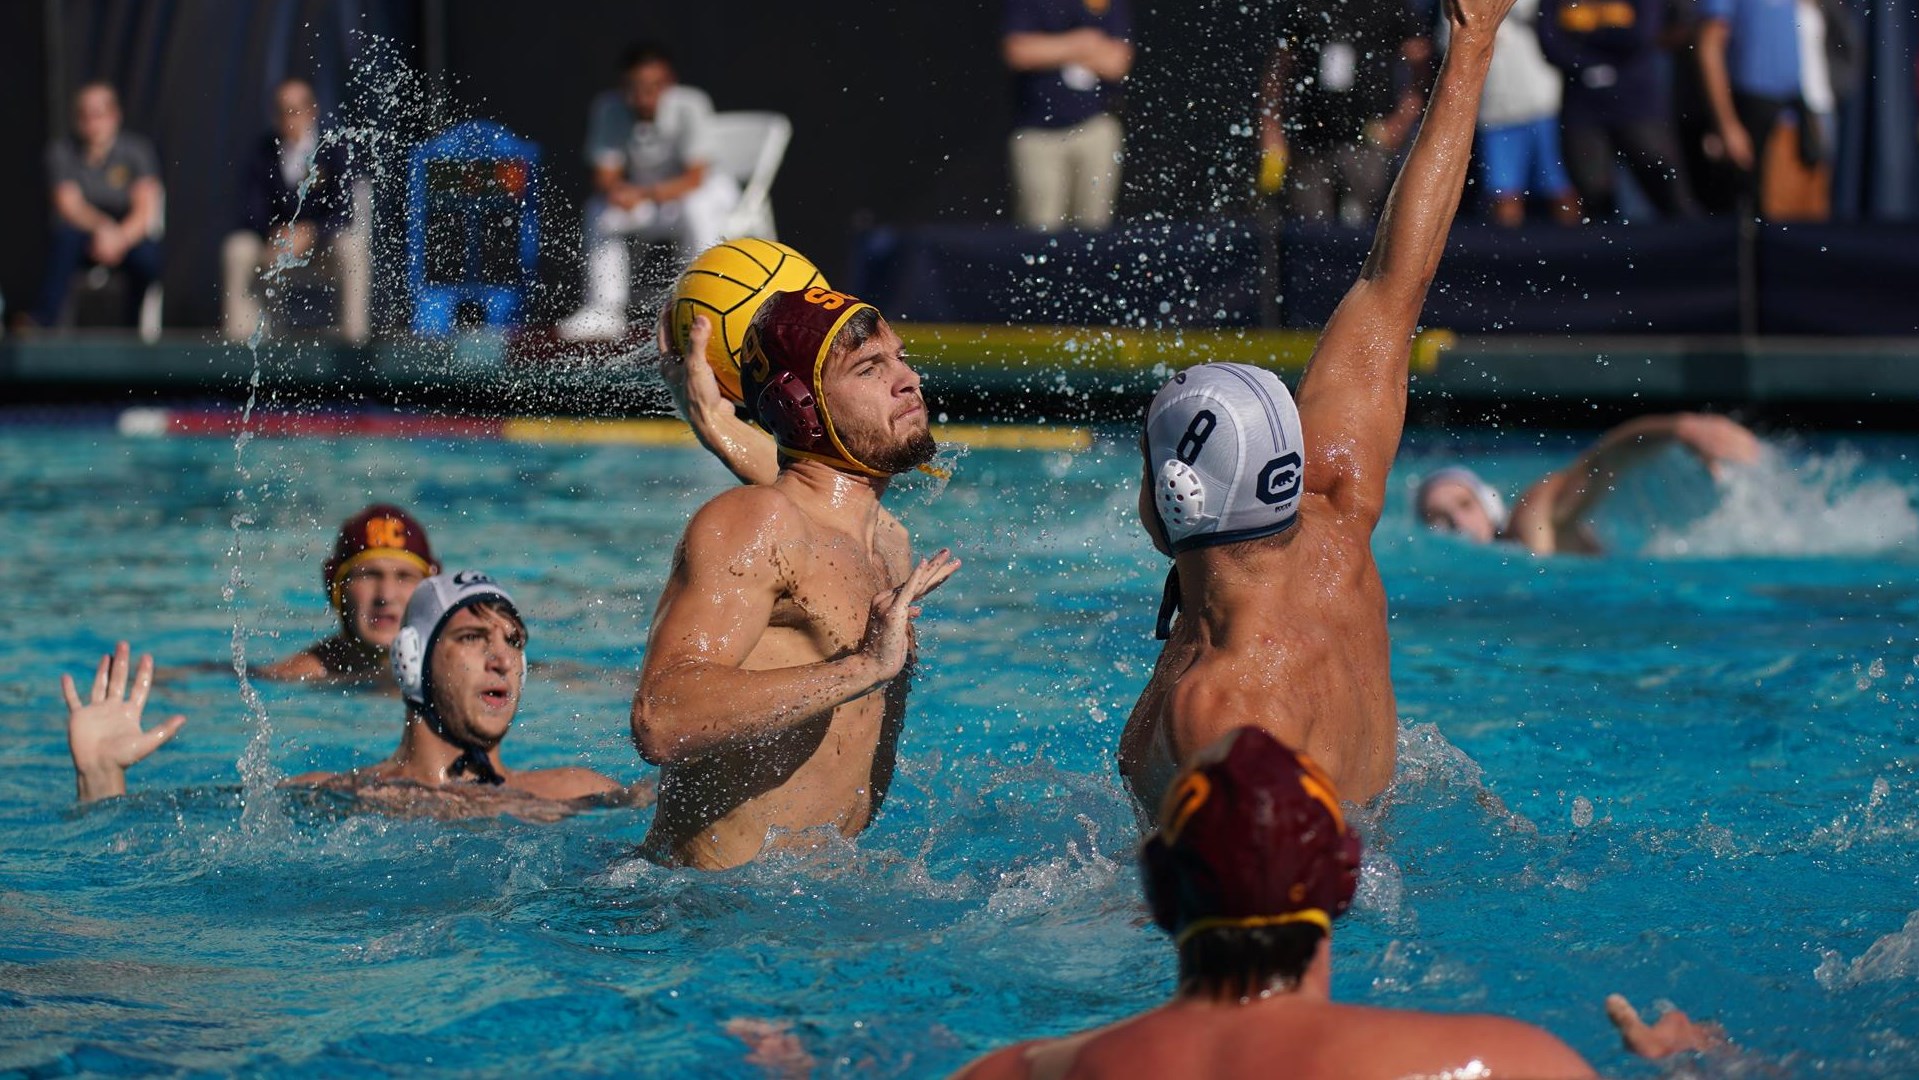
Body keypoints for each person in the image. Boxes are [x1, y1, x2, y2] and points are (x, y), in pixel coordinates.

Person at [1120, 0, 1500, 812]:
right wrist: (1472, 42)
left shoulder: (1219, 704)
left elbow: (1247, 902)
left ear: (1173, 497)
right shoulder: (1338, 511)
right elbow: (1393, 281)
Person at [956, 727, 1724, 1079]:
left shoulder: (1017, 1070)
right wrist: (1685, 1063)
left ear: (1157, 892)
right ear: (1348, 882)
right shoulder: (1510, 1061)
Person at [632, 287, 960, 870]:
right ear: (802, 405)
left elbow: (815, 498)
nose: (908, 378)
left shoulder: (887, 540)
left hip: (817, 903)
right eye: (869, 367)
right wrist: (861, 666)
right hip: (709, 921)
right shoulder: (753, 522)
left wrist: (714, 420)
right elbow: (661, 717)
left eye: (899, 356)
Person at [64, 571, 647, 816]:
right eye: (472, 638)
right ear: (411, 660)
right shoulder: (336, 799)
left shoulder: (581, 794)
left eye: (515, 642)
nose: (503, 658)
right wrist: (101, 780)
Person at [558, 42, 741, 342]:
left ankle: (706, 303)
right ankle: (603, 311)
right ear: (623, 86)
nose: (644, 97)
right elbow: (605, 175)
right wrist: (617, 192)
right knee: (601, 211)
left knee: (696, 205)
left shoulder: (692, 105)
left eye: (654, 87)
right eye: (635, 88)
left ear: (670, 83)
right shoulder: (609, 108)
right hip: (657, 201)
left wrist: (640, 194)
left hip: (706, 197)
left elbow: (694, 178)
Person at [1415, 411, 1761, 554]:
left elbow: (1599, 463)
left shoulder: (1531, 522)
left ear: (1488, 504)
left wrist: (1679, 428)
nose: (1457, 524)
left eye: (1463, 506)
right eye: (1438, 518)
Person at [222, 78, 370, 344]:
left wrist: (311, 233)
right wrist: (275, 233)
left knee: (352, 247)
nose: (289, 118)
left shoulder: (334, 149)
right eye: (282, 111)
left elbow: (345, 211)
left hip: (323, 246)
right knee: (238, 249)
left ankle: (354, 341)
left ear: (312, 111)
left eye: (295, 110)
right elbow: (251, 207)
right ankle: (243, 343)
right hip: (276, 244)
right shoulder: (262, 152)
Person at [1259, 0, 1433, 227]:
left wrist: (1401, 121)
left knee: (1365, 230)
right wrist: (1272, 131)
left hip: (1368, 139)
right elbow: (1279, 68)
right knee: (1311, 230)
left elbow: (1420, 60)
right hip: (1313, 141)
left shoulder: (1388, 5)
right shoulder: (1306, 6)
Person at [1537, 0, 1700, 221]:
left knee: (1668, 193)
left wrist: (1583, 39)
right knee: (1594, 197)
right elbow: (1550, 43)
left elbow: (1642, 34)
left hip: (1639, 106)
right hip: (1582, 109)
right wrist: (1592, 59)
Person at [31, 82, 163, 330]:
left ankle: (131, 328)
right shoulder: (62, 152)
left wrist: (120, 238)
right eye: (84, 115)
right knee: (63, 242)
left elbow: (146, 208)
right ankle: (46, 324)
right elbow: (69, 204)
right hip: (86, 233)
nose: (92, 122)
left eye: (99, 113)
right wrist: (103, 229)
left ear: (115, 115)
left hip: (125, 235)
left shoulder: (137, 152)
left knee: (149, 259)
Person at [256, 504, 439, 682]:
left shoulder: (452, 669)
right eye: (370, 575)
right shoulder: (289, 678)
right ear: (337, 588)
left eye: (404, 576)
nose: (386, 596)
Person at [1001, 0, 1135, 232]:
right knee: (1040, 230)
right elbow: (1019, 51)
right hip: (1038, 132)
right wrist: (1082, 44)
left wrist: (1051, 49)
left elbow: (1117, 62)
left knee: (1094, 230)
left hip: (1094, 127)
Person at [1460, 0, 1582, 225]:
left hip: (1540, 101)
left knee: (1560, 188)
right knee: (1503, 193)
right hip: (1494, 107)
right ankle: (1509, 256)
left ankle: (1579, 251)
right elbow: (1450, 39)